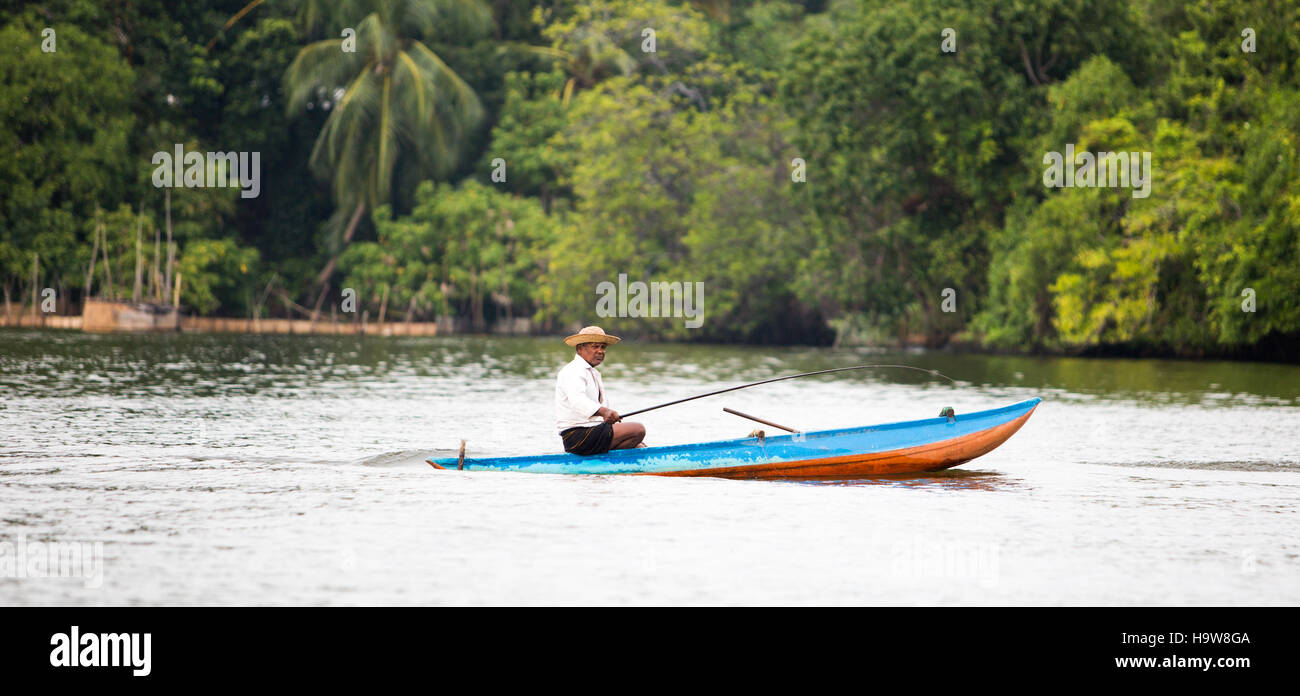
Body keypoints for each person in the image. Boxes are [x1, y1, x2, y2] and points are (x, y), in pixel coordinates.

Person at [555, 326, 646, 454]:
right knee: (638, 430)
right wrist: (605, 412)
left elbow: (599, 415)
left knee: (638, 443)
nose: (600, 351)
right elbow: (578, 401)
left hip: (592, 432)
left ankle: (610, 458)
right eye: (595, 347)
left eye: (603, 347)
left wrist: (607, 416)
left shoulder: (594, 373)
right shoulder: (573, 370)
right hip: (577, 437)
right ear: (580, 349)